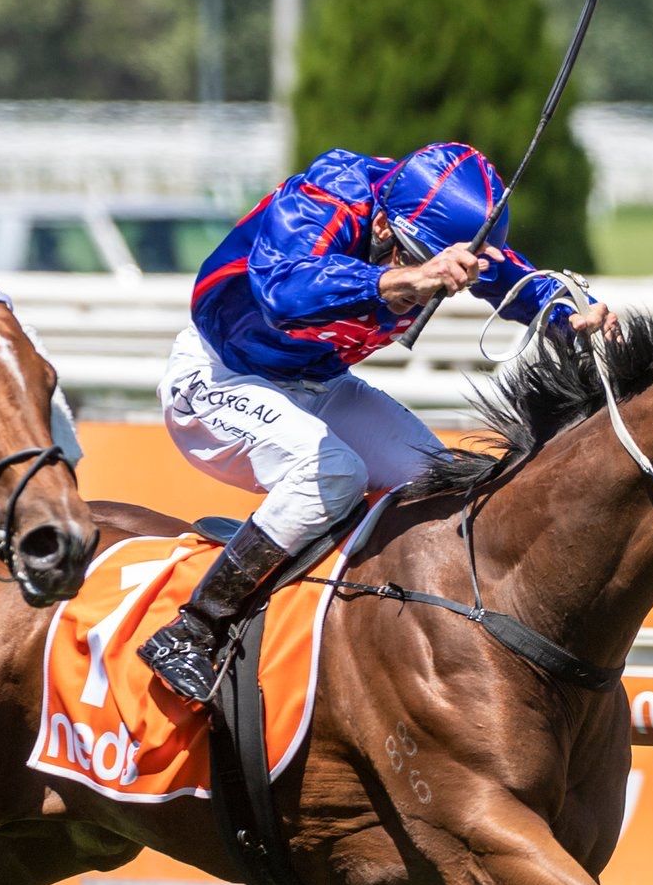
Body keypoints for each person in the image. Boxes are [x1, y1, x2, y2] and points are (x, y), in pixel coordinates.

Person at [137, 141, 622, 704]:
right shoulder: (325, 196)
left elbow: (517, 281)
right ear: (386, 224)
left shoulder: (433, 228)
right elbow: (284, 291)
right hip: (219, 377)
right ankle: (194, 628)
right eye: (412, 256)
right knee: (334, 472)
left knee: (442, 481)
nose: (427, 285)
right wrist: (404, 281)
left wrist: (568, 313)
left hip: (318, 385)